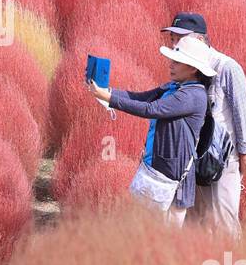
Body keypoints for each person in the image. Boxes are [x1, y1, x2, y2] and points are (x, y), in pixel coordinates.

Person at [87, 34, 214, 227]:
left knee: (166, 241)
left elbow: (151, 109)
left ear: (193, 68)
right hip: (155, 170)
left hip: (174, 178)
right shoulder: (174, 87)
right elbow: (142, 98)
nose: (170, 64)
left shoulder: (193, 95)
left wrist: (109, 99)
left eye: (177, 62)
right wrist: (107, 92)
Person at [160, 12, 246, 240]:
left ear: (199, 39)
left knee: (224, 224)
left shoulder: (227, 67)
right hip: (191, 159)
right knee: (194, 223)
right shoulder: (184, 67)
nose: (174, 44)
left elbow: (243, 112)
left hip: (222, 160)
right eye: (172, 39)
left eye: (178, 38)